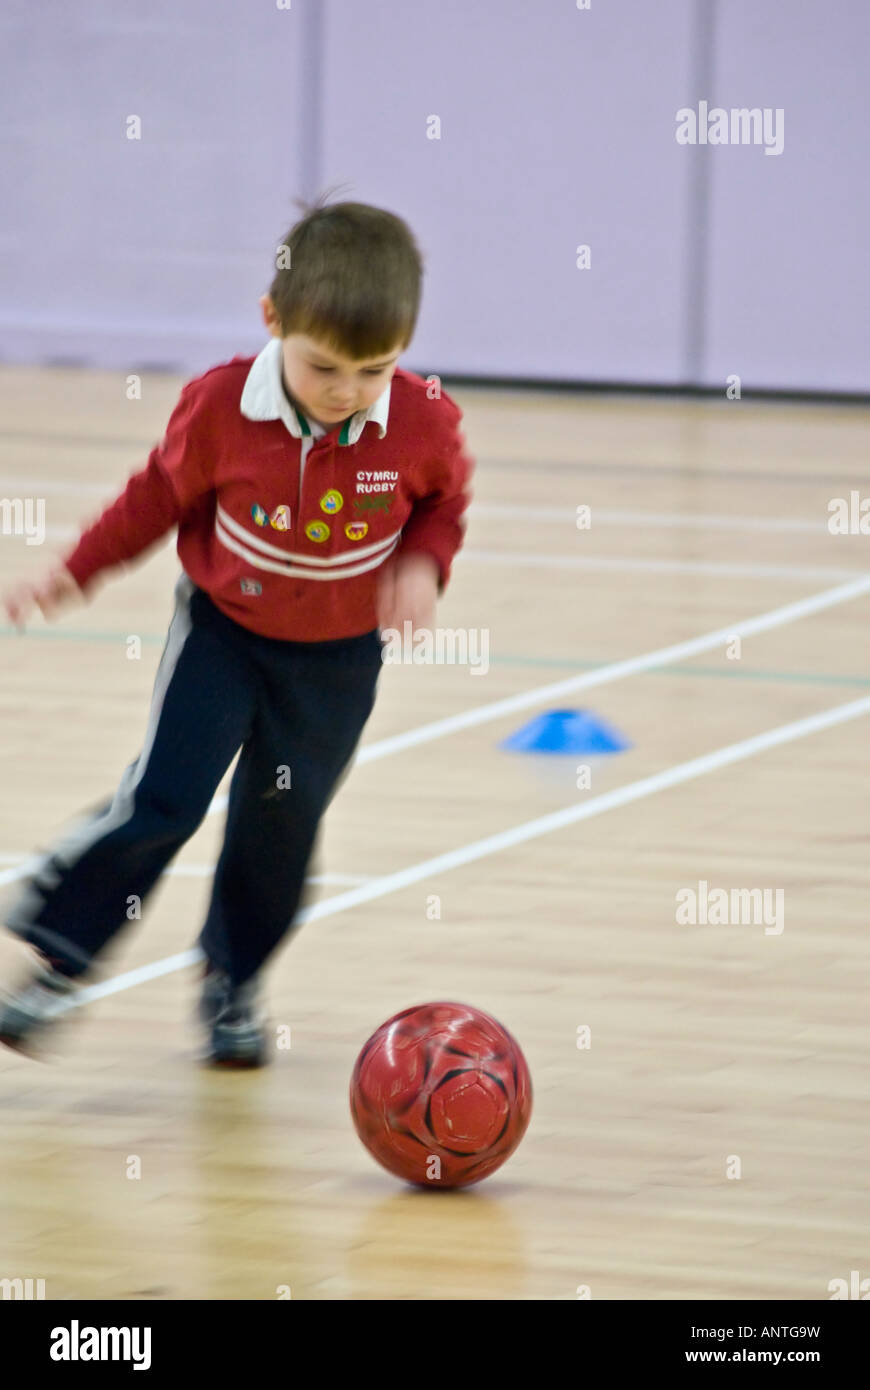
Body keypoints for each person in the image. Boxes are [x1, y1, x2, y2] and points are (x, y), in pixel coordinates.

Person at [0, 196, 473, 1066]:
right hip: (224, 636)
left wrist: (421, 564)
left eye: (374, 370)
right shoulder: (220, 405)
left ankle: (234, 985)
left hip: (335, 662)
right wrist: (72, 573)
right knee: (165, 798)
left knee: (280, 824)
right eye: (324, 365)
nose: (347, 392)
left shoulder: (424, 422)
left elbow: (444, 505)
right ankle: (59, 959)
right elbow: (153, 498)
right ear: (272, 321)